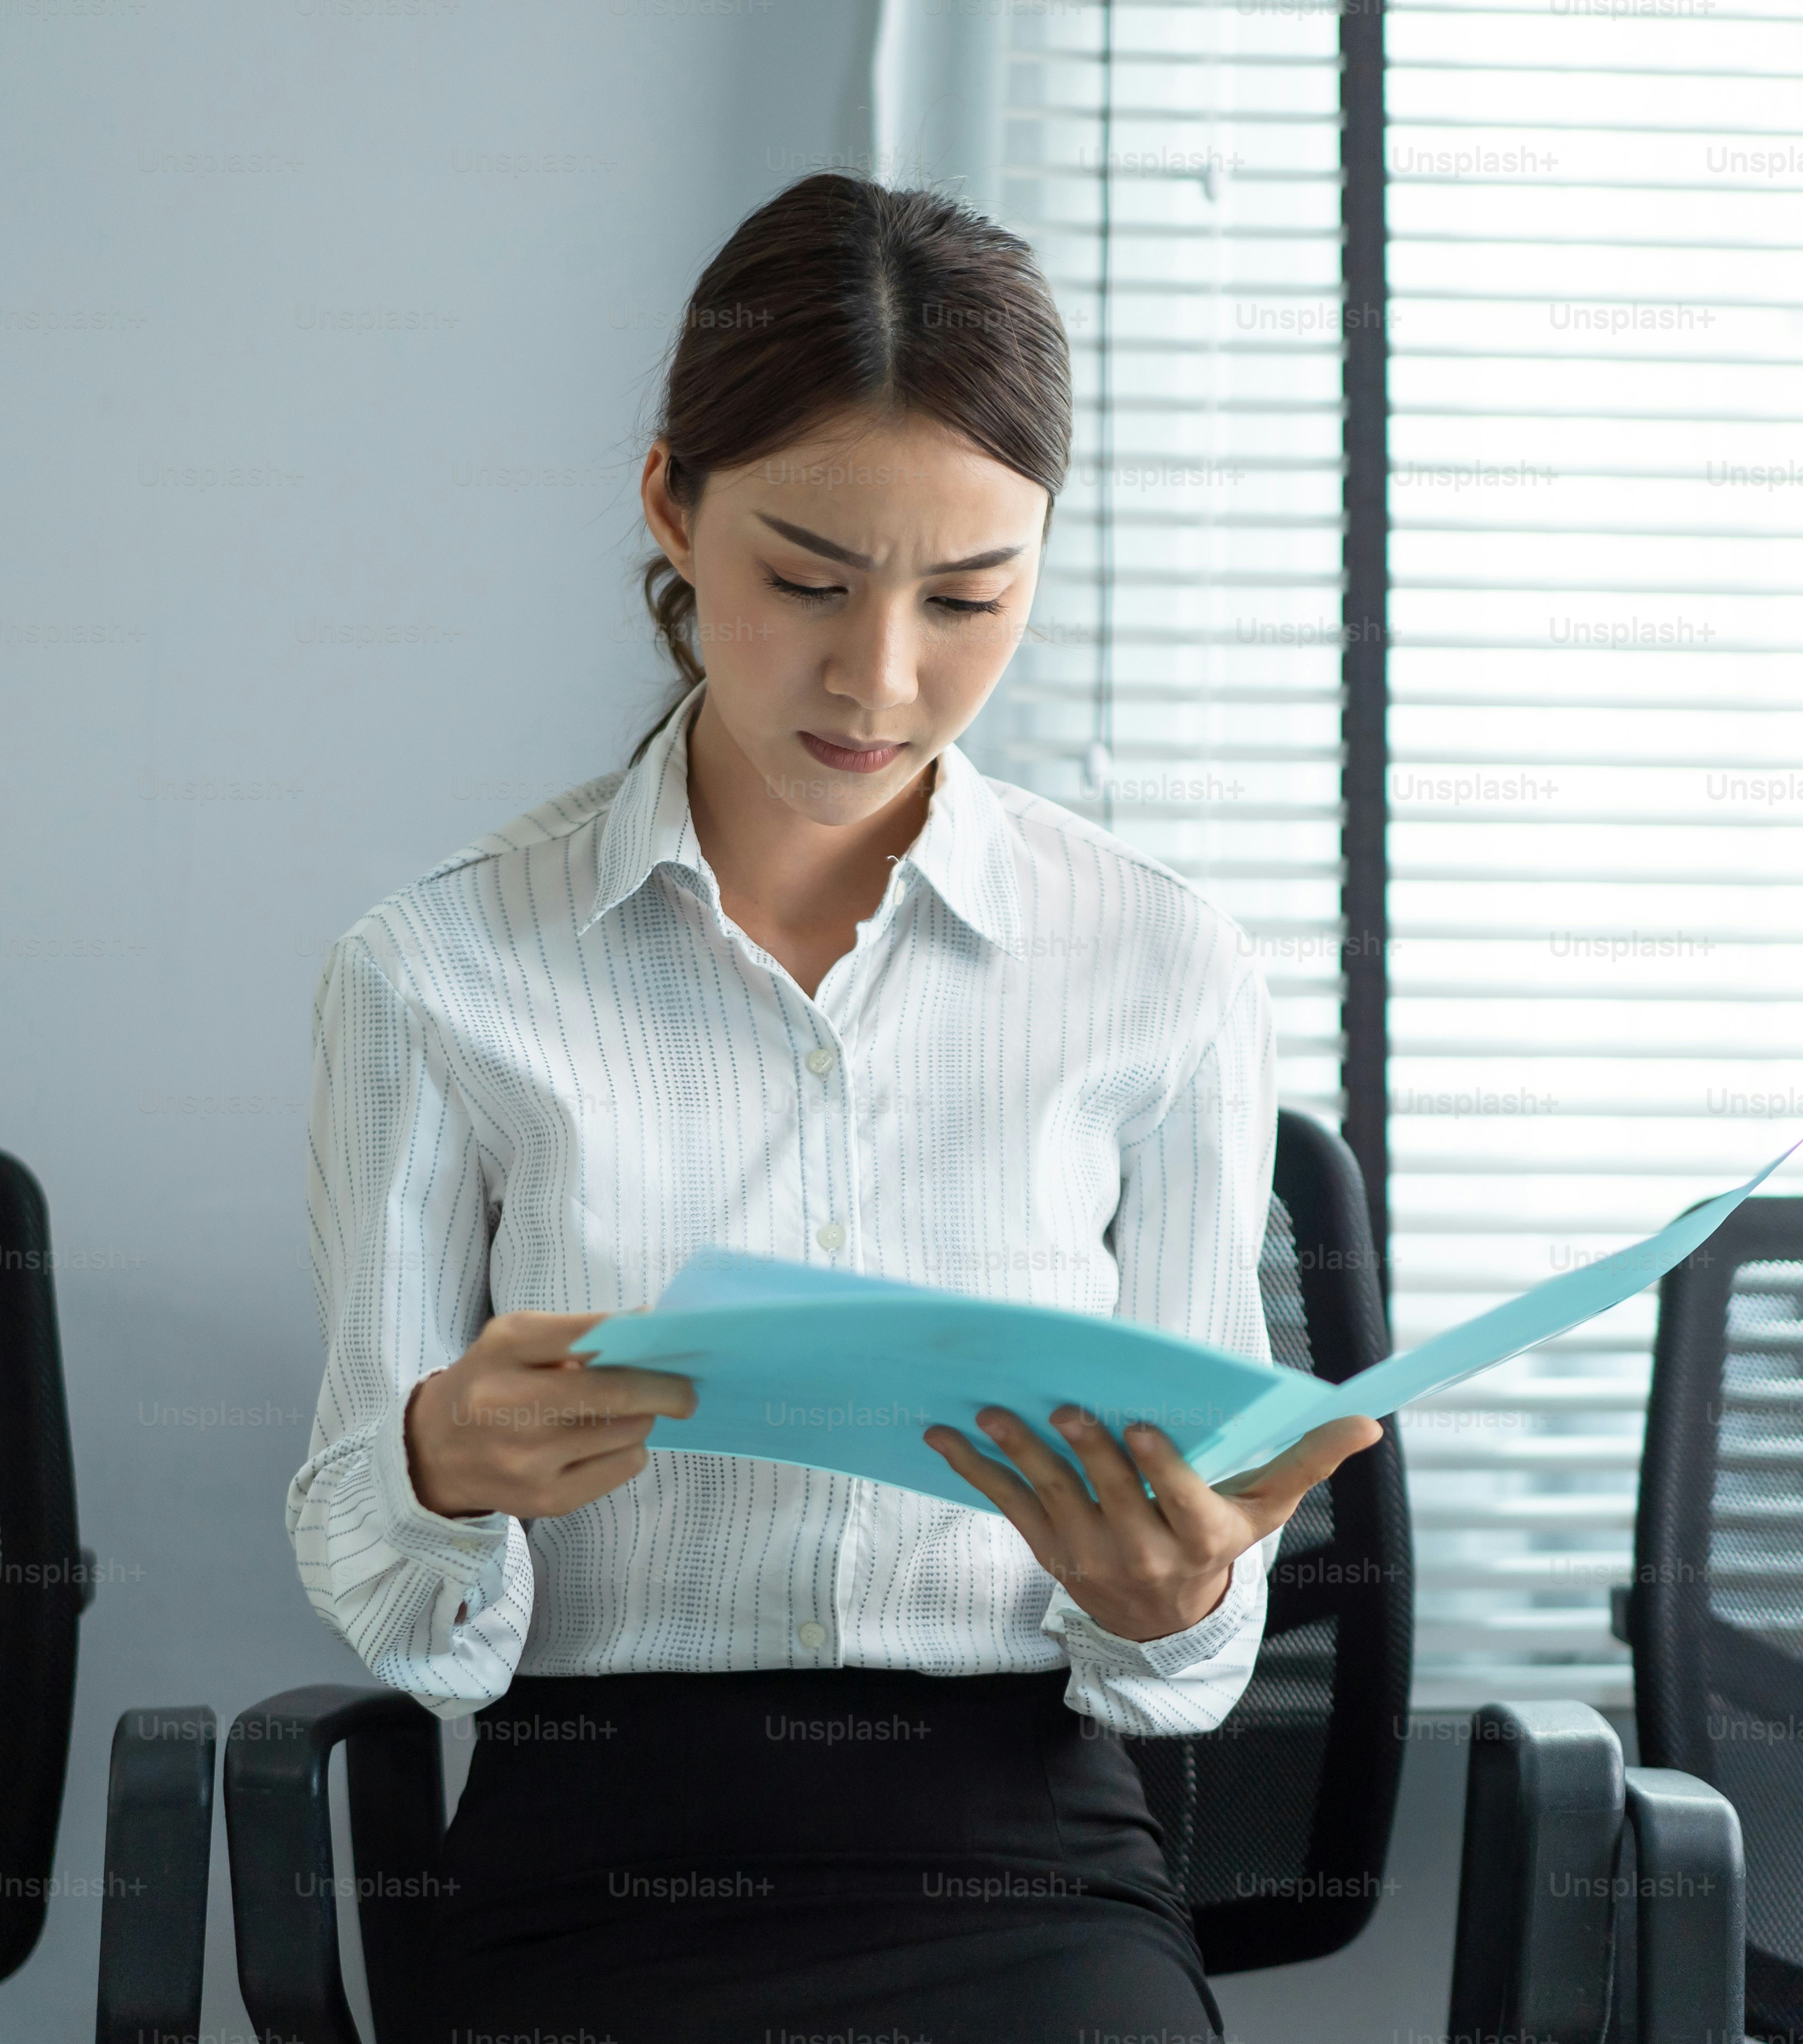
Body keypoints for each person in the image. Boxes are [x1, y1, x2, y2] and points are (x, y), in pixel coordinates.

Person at [286, 170, 1379, 2041]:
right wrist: (442, 1463)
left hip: (1023, 1856)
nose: (881, 677)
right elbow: (361, 1544)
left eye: (970, 596)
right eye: (807, 579)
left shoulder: (1165, 966)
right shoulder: (439, 970)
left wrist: (1174, 1589)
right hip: (594, 1857)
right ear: (671, 510)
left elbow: (1194, 1635)